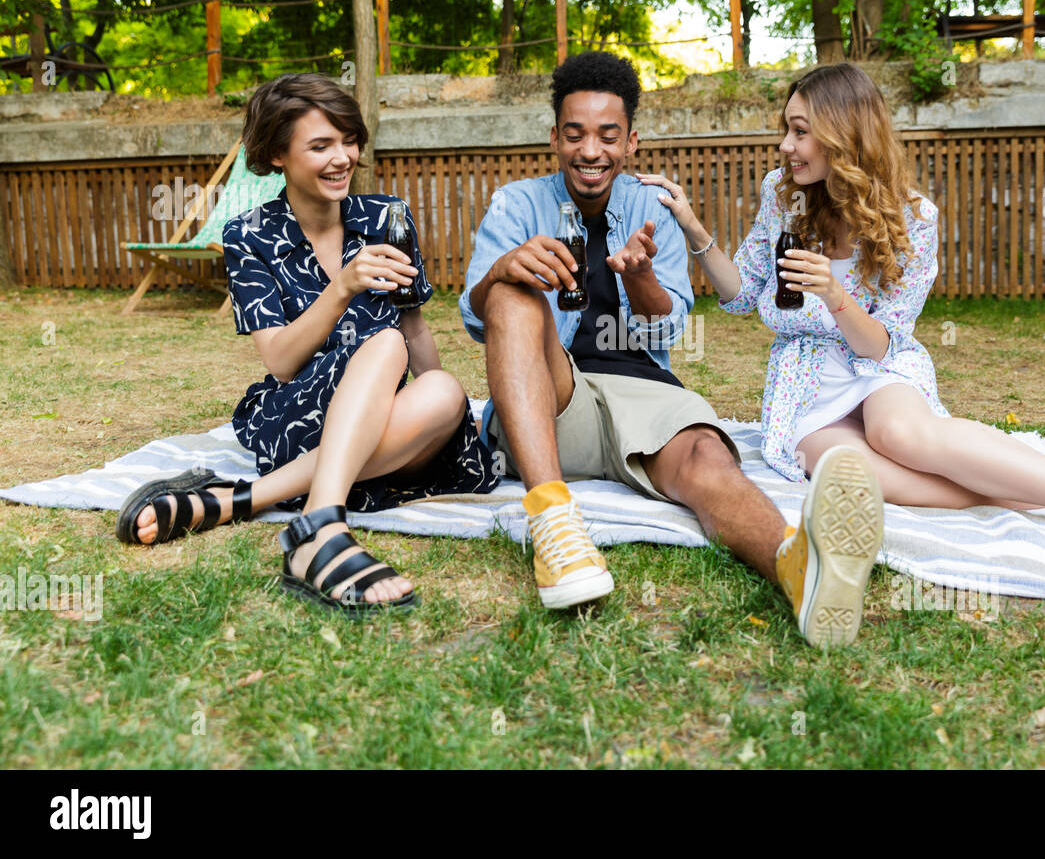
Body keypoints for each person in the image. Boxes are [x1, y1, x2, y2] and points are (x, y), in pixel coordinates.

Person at [639, 62, 1045, 582]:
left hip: (876, 364)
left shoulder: (913, 216)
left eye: (800, 132)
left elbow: (881, 344)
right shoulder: (784, 194)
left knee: (902, 438)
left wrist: (834, 294)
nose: (785, 146)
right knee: (855, 475)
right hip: (804, 387)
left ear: (842, 134)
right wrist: (695, 230)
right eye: (786, 130)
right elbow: (743, 294)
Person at [460, 51, 884, 648]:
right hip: (551, 400)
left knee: (708, 459)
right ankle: (554, 526)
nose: (590, 151)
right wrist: (502, 270)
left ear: (631, 142)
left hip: (644, 398)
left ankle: (801, 571)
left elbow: (665, 333)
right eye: (575, 134)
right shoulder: (515, 204)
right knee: (508, 296)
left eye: (608, 136)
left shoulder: (650, 206)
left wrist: (640, 280)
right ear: (554, 137)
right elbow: (477, 321)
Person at [117, 72, 498, 613]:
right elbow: (281, 360)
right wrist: (342, 287)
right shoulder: (248, 234)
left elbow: (414, 326)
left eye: (348, 140)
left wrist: (446, 417)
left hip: (377, 417)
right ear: (277, 154)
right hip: (299, 413)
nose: (342, 157)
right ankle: (323, 529)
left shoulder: (386, 218)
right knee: (385, 343)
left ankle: (243, 500)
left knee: (442, 390)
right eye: (320, 145)